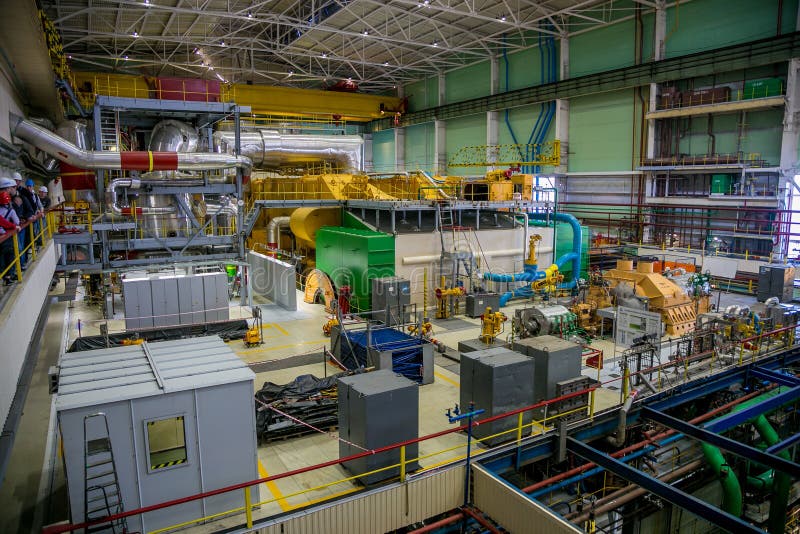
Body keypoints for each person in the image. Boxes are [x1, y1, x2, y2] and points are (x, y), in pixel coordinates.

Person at [0, 191, 21, 284]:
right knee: (9, 256)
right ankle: (8, 277)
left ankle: (2, 276)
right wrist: (13, 226)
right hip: (7, 237)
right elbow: (17, 222)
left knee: (1, 257)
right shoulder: (11, 211)